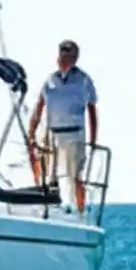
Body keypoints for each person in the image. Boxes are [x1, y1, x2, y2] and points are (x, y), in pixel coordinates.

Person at [27, 38, 99, 214]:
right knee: (48, 173)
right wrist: (31, 132)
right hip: (52, 133)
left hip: (74, 133)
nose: (64, 57)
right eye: (62, 52)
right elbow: (39, 106)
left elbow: (91, 110)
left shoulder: (84, 80)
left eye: (68, 53)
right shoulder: (50, 80)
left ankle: (80, 212)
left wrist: (93, 139)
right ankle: (47, 207)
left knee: (76, 177)